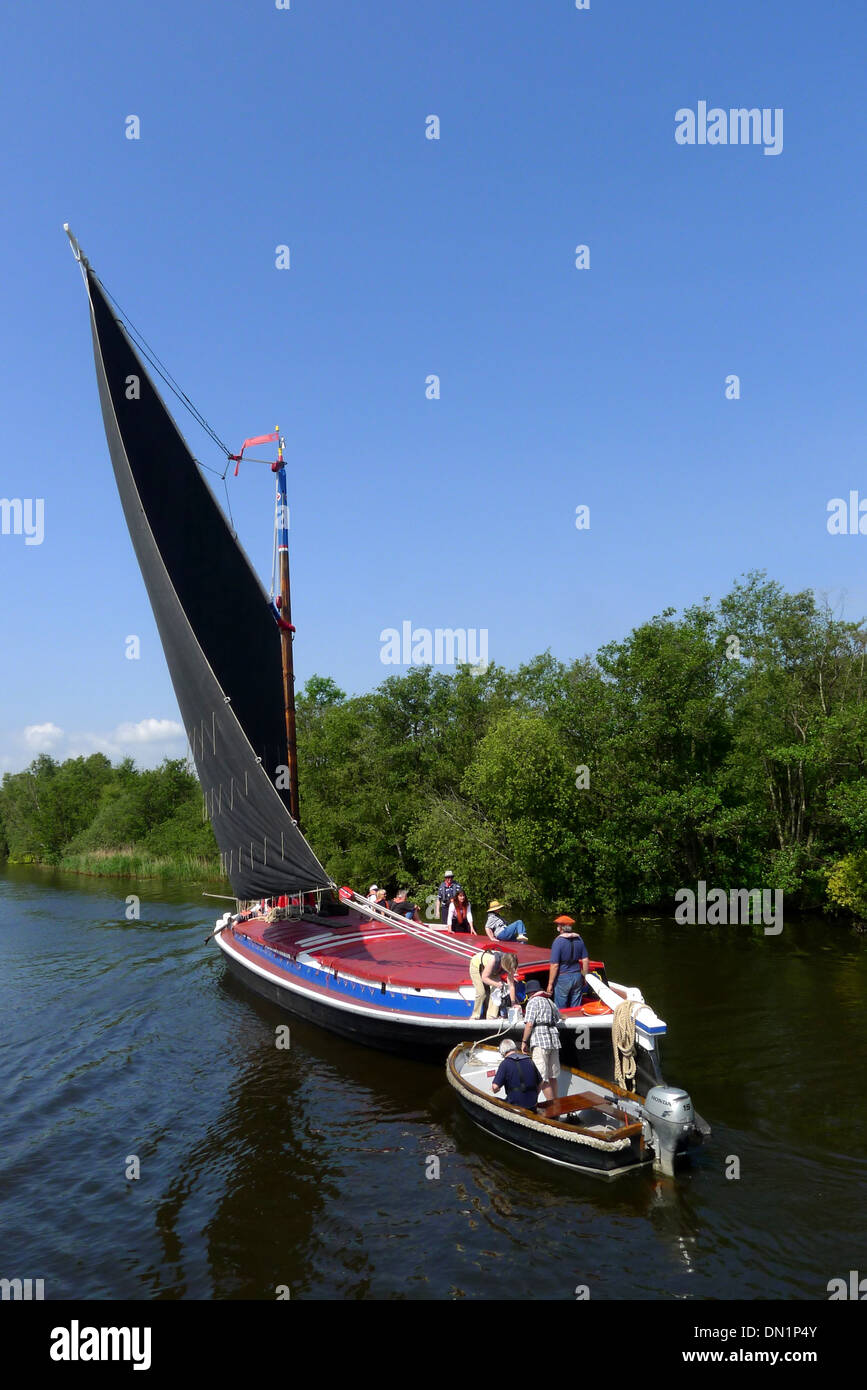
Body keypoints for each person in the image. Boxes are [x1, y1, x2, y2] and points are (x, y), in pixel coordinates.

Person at [521, 982, 562, 1104]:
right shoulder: (550, 1002)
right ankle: (556, 1104)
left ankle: (548, 1106)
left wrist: (524, 1041)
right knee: (552, 1076)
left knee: (540, 1078)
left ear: (530, 993)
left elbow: (529, 1024)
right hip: (554, 1041)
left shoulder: (533, 1002)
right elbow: (558, 1017)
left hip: (540, 1040)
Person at [547, 915, 589, 1010]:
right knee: (576, 1006)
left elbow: (554, 965)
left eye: (558, 925)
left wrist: (550, 983)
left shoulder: (558, 942)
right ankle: (576, 1021)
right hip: (577, 976)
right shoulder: (579, 939)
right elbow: (585, 960)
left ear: (561, 927)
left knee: (561, 1007)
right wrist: (585, 977)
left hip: (563, 977)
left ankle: (561, 1023)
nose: (557, 927)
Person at [491, 1039, 542, 1112]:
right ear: (514, 1048)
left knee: (494, 1100)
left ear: (502, 1052)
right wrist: (534, 1096)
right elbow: (541, 1082)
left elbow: (495, 1087)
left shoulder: (505, 1063)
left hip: (515, 1106)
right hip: (532, 1105)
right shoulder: (529, 1060)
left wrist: (495, 1089)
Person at [469, 949, 518, 1019]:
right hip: (477, 965)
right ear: (505, 964)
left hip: (494, 970)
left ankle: (491, 1016)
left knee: (497, 991)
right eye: (509, 969)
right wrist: (496, 984)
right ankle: (475, 1016)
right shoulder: (494, 960)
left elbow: (511, 985)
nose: (510, 971)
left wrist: (513, 1003)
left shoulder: (511, 966)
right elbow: (484, 978)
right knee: (481, 992)